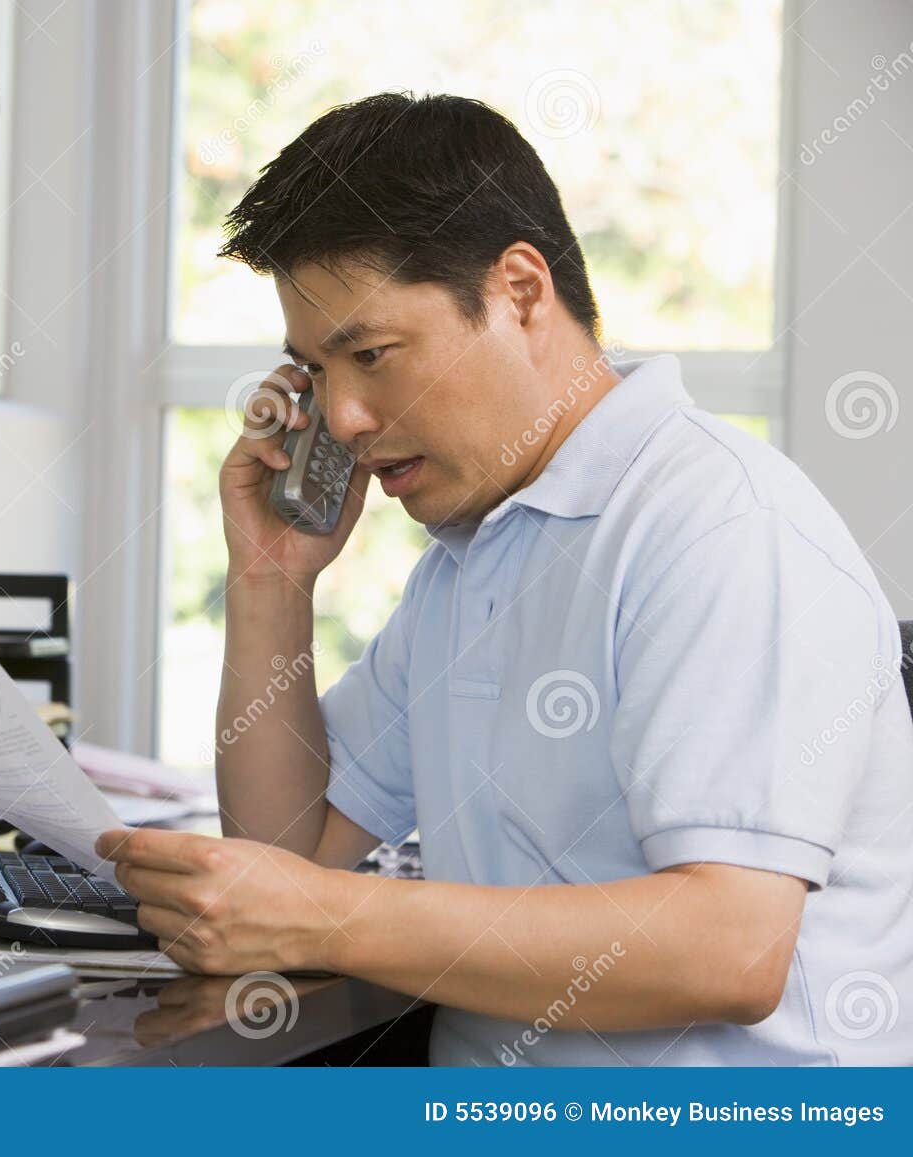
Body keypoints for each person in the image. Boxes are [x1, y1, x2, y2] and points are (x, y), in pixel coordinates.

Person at [96, 92, 913, 1065]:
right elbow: (283, 856)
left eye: (370, 354)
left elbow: (731, 946)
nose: (343, 415)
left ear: (520, 291)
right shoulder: (470, 560)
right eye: (315, 371)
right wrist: (270, 583)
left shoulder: (721, 525)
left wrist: (333, 918)